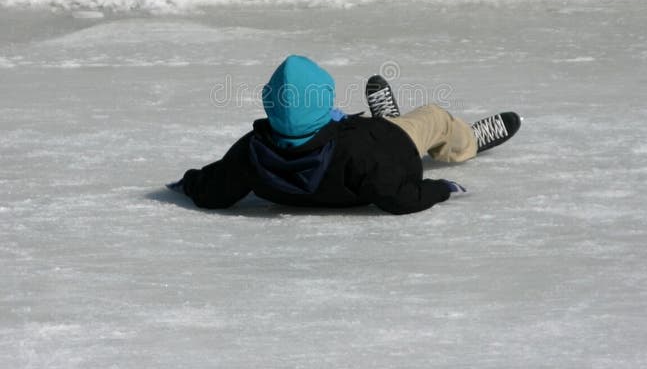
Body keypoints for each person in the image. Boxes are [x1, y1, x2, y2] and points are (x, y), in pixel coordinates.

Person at [169, 55, 520, 215]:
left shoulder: (251, 152)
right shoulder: (363, 152)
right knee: (432, 116)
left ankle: (387, 116)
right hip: (392, 144)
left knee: (344, 122)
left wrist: (189, 183)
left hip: (349, 147)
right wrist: (440, 188)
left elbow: (213, 191)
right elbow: (399, 198)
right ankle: (465, 141)